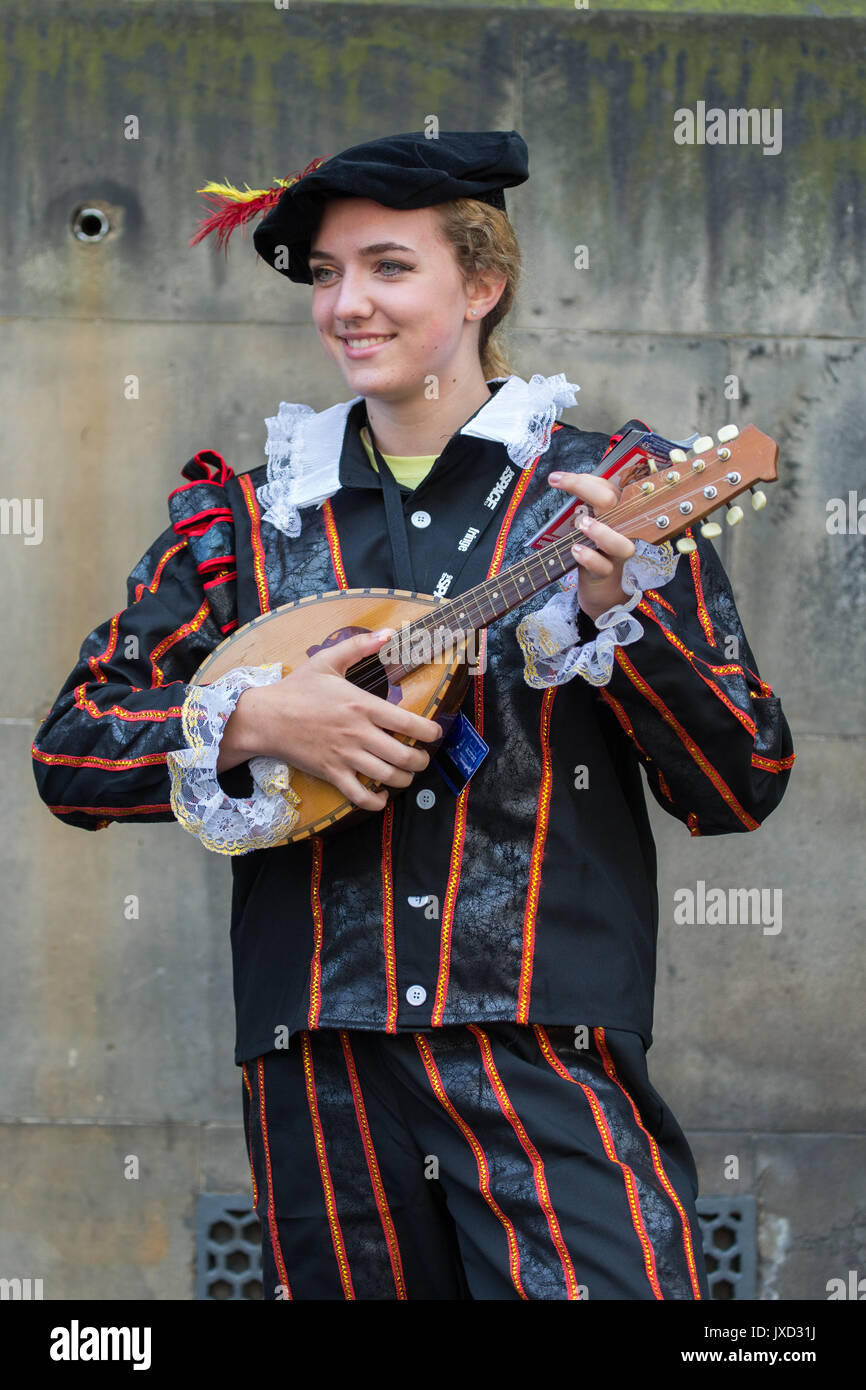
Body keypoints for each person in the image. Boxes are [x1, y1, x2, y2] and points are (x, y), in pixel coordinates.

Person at [32, 130, 795, 1301]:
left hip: (541, 1041)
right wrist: (254, 724)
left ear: (481, 284)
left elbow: (739, 776)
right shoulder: (241, 519)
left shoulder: (610, 495)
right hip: (314, 1063)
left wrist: (612, 619)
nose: (348, 303)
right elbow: (70, 746)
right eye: (328, 274)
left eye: (388, 267)